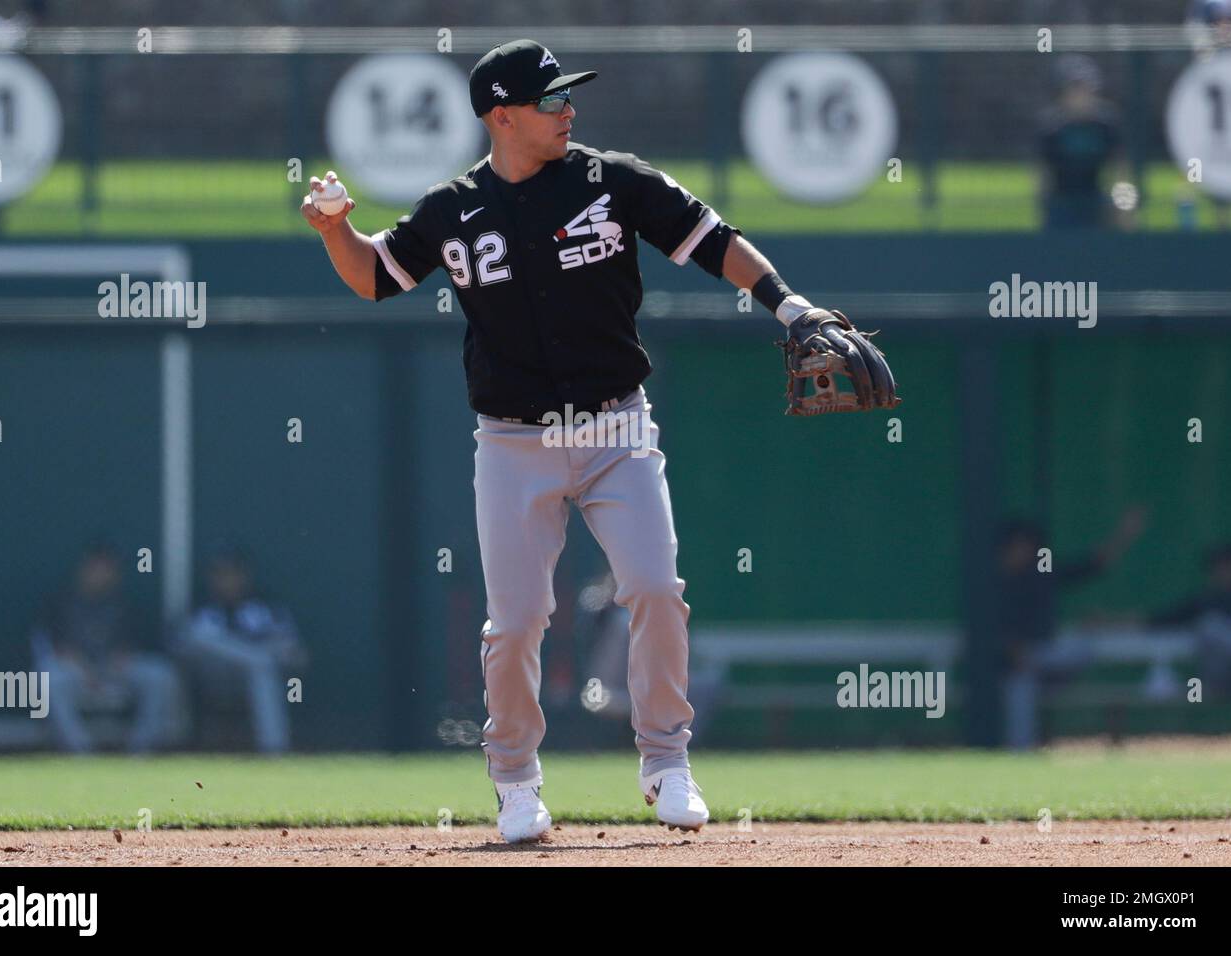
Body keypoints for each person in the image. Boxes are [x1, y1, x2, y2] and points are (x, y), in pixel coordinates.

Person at [302, 39, 889, 842]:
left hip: (618, 426)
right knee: (515, 622)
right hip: (513, 440)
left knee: (654, 588)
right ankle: (514, 783)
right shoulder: (453, 207)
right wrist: (336, 227)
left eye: (568, 96)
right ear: (501, 116)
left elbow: (713, 238)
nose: (568, 109)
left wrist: (790, 307)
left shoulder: (613, 180)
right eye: (550, 101)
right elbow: (373, 275)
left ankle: (666, 761)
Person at [998, 506, 1147, 749]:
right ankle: (1020, 756)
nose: (1022, 552)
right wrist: (1011, 651)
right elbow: (999, 640)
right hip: (1016, 671)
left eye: (1027, 546)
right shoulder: (990, 583)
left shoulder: (1040, 574)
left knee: (1083, 644)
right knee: (1019, 684)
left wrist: (1126, 533)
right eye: (1017, 546)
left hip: (1047, 662)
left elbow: (1096, 563)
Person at [33, 541, 180, 754]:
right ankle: (80, 752)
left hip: (115, 670)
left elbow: (136, 646)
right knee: (48, 677)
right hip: (76, 671)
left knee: (160, 675)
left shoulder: (125, 604)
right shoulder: (60, 601)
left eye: (108, 568)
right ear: (84, 569)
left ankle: (141, 752)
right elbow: (53, 646)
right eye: (96, 567)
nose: (101, 574)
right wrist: (82, 668)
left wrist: (122, 659)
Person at [175, 547, 305, 753]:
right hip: (211, 677)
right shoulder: (200, 607)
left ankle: (273, 750)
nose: (228, 581)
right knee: (200, 638)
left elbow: (294, 651)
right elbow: (184, 647)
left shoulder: (266, 607)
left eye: (233, 574)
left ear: (245, 576)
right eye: (221, 575)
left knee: (262, 668)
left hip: (256, 678)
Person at [1148, 543, 1231, 725]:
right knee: (1210, 626)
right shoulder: (1203, 601)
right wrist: (1108, 621)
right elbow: (1155, 620)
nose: (1224, 571)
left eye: (1229, 566)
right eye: (1219, 567)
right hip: (1211, 684)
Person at [1036, 55, 1123, 230]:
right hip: (1061, 202)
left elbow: (1119, 171)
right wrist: (1044, 205)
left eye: (1085, 90)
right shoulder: (1052, 128)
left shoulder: (1106, 126)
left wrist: (1122, 207)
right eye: (1075, 90)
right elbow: (1042, 173)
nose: (1081, 96)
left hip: (1095, 200)